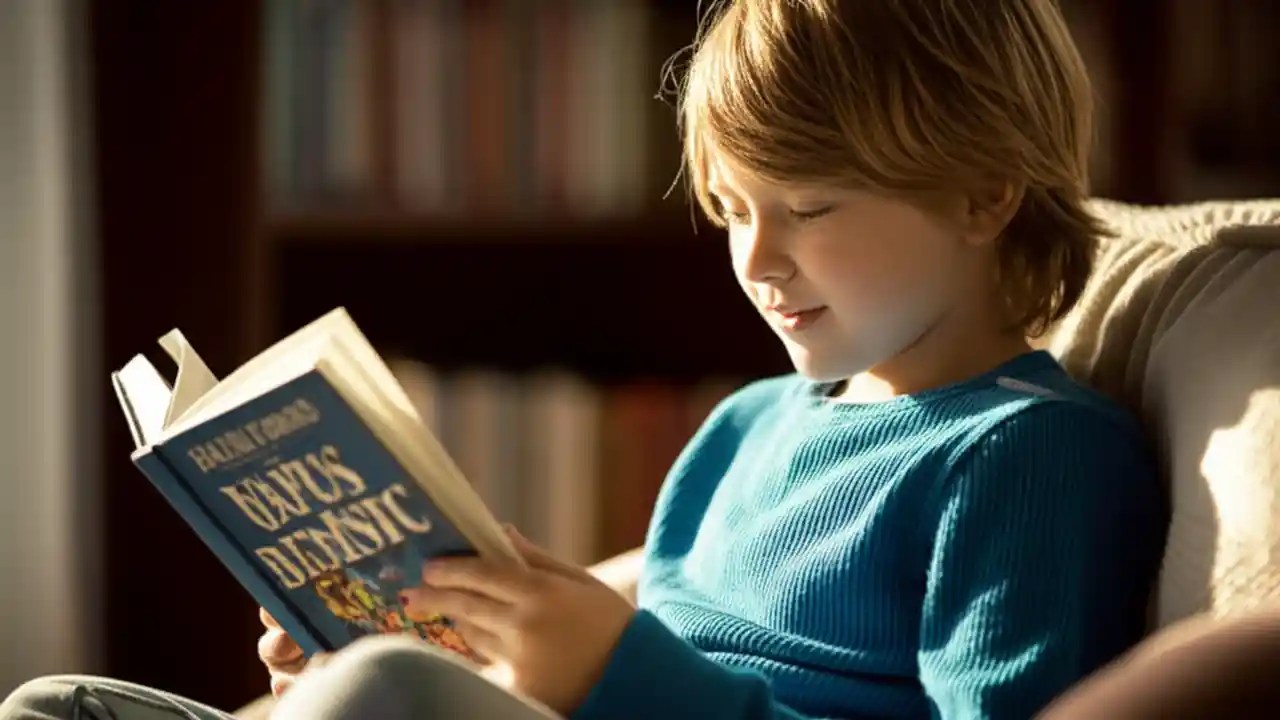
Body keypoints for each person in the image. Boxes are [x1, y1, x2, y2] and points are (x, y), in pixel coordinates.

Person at [2, 1, 1171, 718]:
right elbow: (605, 646)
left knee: (384, 695)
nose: (757, 259)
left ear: (982, 195)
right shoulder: (750, 424)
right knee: (55, 705)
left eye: (809, 207)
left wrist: (608, 678)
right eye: (728, 209)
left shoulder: (1027, 454)